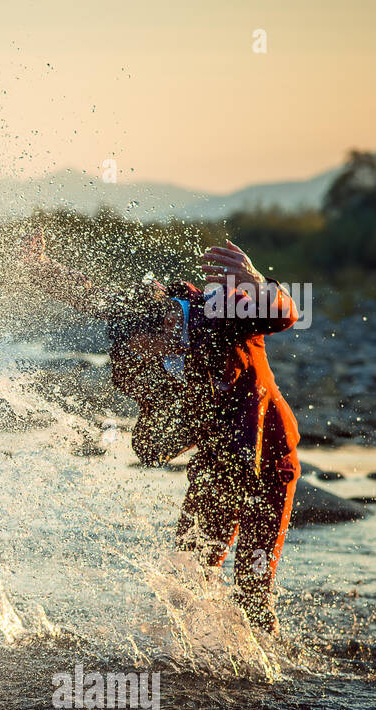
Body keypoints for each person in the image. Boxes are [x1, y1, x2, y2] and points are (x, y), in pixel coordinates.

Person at [21, 233, 301, 635]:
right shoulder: (138, 320)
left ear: (169, 320)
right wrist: (41, 271)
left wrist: (256, 283)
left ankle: (271, 676)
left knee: (253, 593)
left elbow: (285, 313)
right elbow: (94, 297)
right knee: (186, 579)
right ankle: (204, 664)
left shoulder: (222, 310)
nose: (148, 359)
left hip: (270, 459)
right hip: (215, 465)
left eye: (149, 348)